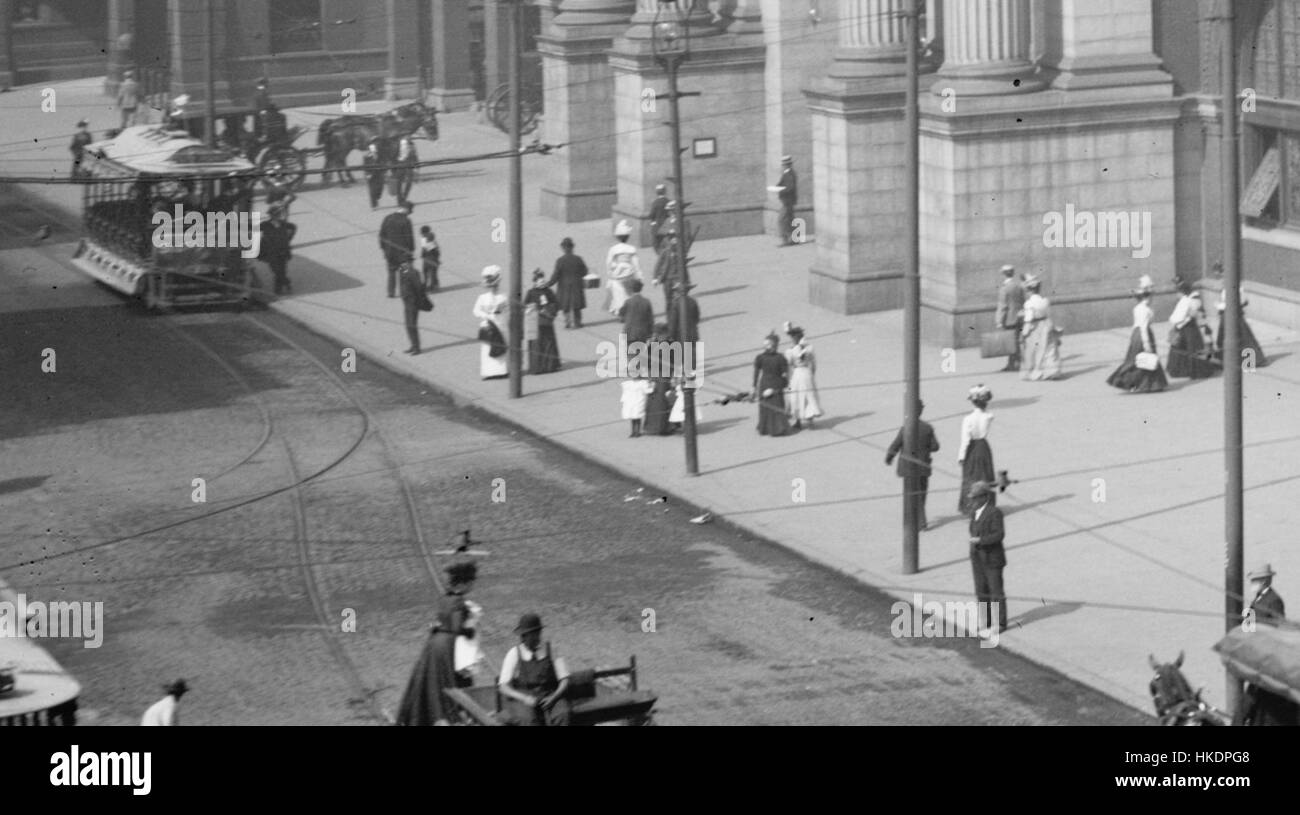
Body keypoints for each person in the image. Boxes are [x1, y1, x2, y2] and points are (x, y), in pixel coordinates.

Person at [396, 561, 479, 725]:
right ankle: (452, 716)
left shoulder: (444, 599)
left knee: (432, 681)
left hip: (434, 644)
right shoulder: (458, 602)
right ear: (462, 584)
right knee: (450, 682)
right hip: (448, 647)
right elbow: (456, 629)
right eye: (470, 582)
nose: (472, 586)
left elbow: (439, 622)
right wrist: (470, 630)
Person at [498, 613, 572, 727]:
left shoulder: (551, 649)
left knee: (562, 714)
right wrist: (524, 698)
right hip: (524, 698)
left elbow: (564, 680)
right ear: (523, 636)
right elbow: (503, 687)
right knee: (529, 721)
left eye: (537, 633)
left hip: (550, 694)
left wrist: (554, 697)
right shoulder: (514, 654)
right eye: (529, 635)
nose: (535, 637)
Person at [1106, 275, 1168, 393]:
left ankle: (1145, 384)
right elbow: (1144, 327)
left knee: (1136, 359)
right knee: (1146, 358)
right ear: (1146, 297)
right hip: (1143, 334)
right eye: (1150, 297)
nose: (1151, 299)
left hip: (1136, 334)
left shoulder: (1138, 308)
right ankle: (1146, 383)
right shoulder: (1145, 309)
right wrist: (1146, 343)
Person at [884, 400, 940, 531]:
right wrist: (925, 449)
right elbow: (935, 446)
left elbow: (895, 445)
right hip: (923, 467)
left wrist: (889, 457)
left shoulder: (906, 428)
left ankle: (910, 521)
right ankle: (922, 522)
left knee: (909, 495)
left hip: (907, 468)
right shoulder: (928, 428)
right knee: (922, 494)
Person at [967, 480, 1008, 634]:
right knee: (981, 590)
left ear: (984, 497)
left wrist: (981, 541)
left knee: (996, 591)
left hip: (992, 558)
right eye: (972, 497)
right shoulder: (974, 513)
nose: (972, 501)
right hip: (977, 558)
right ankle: (986, 620)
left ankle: (1000, 622)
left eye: (975, 498)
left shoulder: (994, 512)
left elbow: (999, 534)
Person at [1166, 276, 1216, 379]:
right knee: (1190, 348)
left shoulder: (1189, 299)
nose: (1176, 294)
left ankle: (1190, 370)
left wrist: (1176, 320)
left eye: (1177, 291)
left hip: (1188, 327)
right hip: (1188, 326)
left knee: (1190, 348)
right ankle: (1189, 369)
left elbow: (1185, 315)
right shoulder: (1187, 299)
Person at [957, 384, 996, 515]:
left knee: (970, 476)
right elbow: (989, 415)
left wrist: (961, 456)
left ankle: (970, 506)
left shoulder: (968, 419)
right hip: (983, 446)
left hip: (972, 448)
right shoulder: (988, 416)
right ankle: (987, 504)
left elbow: (965, 440)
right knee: (985, 475)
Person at [1019, 274, 1060, 380]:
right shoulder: (1045, 300)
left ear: (1029, 290)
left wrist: (1024, 333)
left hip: (1035, 327)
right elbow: (1048, 315)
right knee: (1048, 349)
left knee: (1034, 350)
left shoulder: (1029, 303)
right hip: (1046, 325)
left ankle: (1036, 372)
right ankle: (1051, 371)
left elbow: (1028, 319)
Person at [1215, 286, 1267, 368]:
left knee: (1244, 337)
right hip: (1227, 314)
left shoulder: (1237, 288)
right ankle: (1229, 361)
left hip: (1233, 315)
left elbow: (1241, 301)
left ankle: (1251, 360)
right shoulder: (1227, 288)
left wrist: (1222, 306)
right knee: (1230, 338)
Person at [783, 322, 822, 430]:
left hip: (796, 375)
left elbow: (788, 364)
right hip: (807, 373)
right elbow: (813, 364)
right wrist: (812, 374)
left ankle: (798, 420)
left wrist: (787, 377)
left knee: (794, 395)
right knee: (808, 395)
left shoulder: (790, 350)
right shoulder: (809, 347)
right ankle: (810, 419)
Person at [474, 265, 509, 380]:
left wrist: (502, 310)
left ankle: (502, 371)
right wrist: (486, 315)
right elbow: (476, 310)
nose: (493, 288)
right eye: (491, 286)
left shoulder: (503, 297)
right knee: (487, 348)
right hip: (488, 326)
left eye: (495, 286)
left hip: (500, 324)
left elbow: (508, 310)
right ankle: (489, 372)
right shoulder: (482, 298)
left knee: (501, 345)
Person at [523, 269, 561, 374]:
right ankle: (537, 368)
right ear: (535, 282)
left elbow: (556, 303)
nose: (542, 283)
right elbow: (525, 305)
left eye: (543, 281)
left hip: (547, 321)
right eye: (540, 281)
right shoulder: (530, 293)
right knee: (537, 345)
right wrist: (532, 309)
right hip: (535, 323)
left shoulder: (549, 291)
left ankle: (550, 366)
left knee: (548, 344)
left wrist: (550, 309)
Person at [753, 331, 790, 437]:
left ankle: (778, 429)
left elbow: (785, 374)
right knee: (765, 406)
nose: (770, 347)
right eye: (768, 345)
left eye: (772, 345)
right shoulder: (760, 357)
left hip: (776, 384)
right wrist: (754, 386)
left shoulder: (780, 358)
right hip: (764, 383)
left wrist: (784, 386)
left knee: (777, 406)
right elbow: (756, 372)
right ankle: (765, 427)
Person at [547, 237, 588, 329]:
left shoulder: (560, 260)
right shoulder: (578, 259)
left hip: (564, 285)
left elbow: (556, 275)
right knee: (576, 305)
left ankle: (568, 322)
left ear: (563, 248)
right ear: (572, 247)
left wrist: (548, 284)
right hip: (577, 284)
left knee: (565, 305)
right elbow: (585, 271)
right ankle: (577, 322)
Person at [643, 322, 675, 436]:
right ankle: (663, 427)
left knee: (655, 401)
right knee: (663, 401)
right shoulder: (670, 344)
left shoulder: (653, 344)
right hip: (663, 376)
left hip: (656, 375)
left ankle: (652, 426)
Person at [257, 205, 297, 295]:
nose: (276, 216)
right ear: (271, 215)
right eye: (273, 214)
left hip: (282, 251)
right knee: (275, 270)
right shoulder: (265, 224)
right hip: (271, 252)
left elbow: (294, 227)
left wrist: (289, 238)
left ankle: (277, 290)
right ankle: (286, 282)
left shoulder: (284, 224)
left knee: (281, 270)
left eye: (277, 214)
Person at [605, 220, 642, 316]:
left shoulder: (613, 249)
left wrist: (610, 273)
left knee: (619, 294)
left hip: (618, 274)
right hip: (629, 273)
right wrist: (639, 276)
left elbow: (609, 263)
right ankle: (629, 311)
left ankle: (620, 311)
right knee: (629, 294)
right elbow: (636, 264)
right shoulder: (631, 249)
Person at [379, 201, 415, 298]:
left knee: (391, 272)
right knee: (404, 273)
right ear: (406, 210)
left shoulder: (387, 218)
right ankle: (404, 292)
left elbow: (382, 235)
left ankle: (391, 292)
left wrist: (384, 249)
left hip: (389, 252)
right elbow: (409, 239)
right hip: (403, 253)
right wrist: (411, 251)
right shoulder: (406, 221)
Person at [994, 264, 1024, 371]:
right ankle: (1015, 362)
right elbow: (1022, 301)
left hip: (1009, 319)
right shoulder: (1019, 286)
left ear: (1003, 274)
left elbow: (1002, 306)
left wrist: (999, 321)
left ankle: (1014, 364)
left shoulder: (1004, 288)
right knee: (1016, 341)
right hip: (1019, 317)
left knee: (1011, 342)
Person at [398, 260, 431, 355]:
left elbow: (419, 288)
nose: (403, 265)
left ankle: (416, 347)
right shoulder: (402, 270)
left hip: (413, 303)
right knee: (408, 325)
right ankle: (413, 345)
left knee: (412, 325)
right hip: (407, 302)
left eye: (405, 263)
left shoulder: (414, 273)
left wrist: (416, 299)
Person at [620, 277, 655, 349]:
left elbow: (621, 316)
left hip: (630, 333)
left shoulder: (628, 302)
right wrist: (651, 334)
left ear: (631, 289)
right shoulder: (646, 301)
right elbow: (651, 320)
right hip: (643, 333)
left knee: (631, 355)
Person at [774, 155, 797, 246]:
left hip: (788, 201)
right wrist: (777, 187)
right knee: (790, 219)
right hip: (787, 200)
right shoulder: (787, 173)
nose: (783, 166)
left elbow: (790, 188)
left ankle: (786, 240)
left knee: (782, 220)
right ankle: (794, 238)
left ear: (788, 165)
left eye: (784, 165)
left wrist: (780, 189)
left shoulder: (790, 174)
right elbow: (781, 183)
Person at [393, 136, 418, 205]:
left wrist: (416, 168)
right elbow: (393, 155)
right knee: (399, 183)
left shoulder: (412, 144)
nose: (409, 137)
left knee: (409, 182)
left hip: (409, 165)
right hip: (400, 164)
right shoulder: (398, 143)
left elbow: (415, 156)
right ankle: (399, 200)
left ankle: (404, 198)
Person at [363, 140, 386, 209]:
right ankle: (374, 205)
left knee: (380, 188)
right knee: (372, 191)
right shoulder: (366, 157)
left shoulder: (380, 156)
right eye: (372, 150)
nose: (373, 151)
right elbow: (365, 167)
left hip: (379, 175)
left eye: (374, 150)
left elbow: (383, 163)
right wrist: (367, 174)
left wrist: (384, 171)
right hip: (371, 176)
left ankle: (377, 197)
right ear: (369, 150)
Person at [649, 184, 670, 253]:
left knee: (656, 243)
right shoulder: (668, 201)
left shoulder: (655, 202)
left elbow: (651, 215)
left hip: (657, 225)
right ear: (665, 191)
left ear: (657, 192)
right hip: (667, 224)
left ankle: (661, 255)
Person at [419, 226, 440, 291]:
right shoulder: (425, 238)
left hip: (430, 258)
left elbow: (430, 250)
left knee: (430, 273)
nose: (421, 234)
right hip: (428, 259)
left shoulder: (428, 239)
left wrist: (423, 254)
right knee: (429, 272)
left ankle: (432, 286)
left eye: (422, 233)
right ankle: (431, 285)